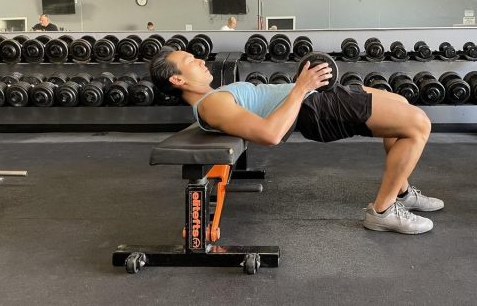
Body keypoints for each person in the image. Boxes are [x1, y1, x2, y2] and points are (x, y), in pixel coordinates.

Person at [149, 49, 443, 234]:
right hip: (316, 106)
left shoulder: (214, 97)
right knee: (418, 125)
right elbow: (270, 134)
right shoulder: (211, 106)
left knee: (402, 107)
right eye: (189, 61)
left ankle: (401, 191)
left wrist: (304, 87)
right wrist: (302, 86)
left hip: (316, 96)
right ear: (177, 80)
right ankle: (383, 211)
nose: (199, 59)